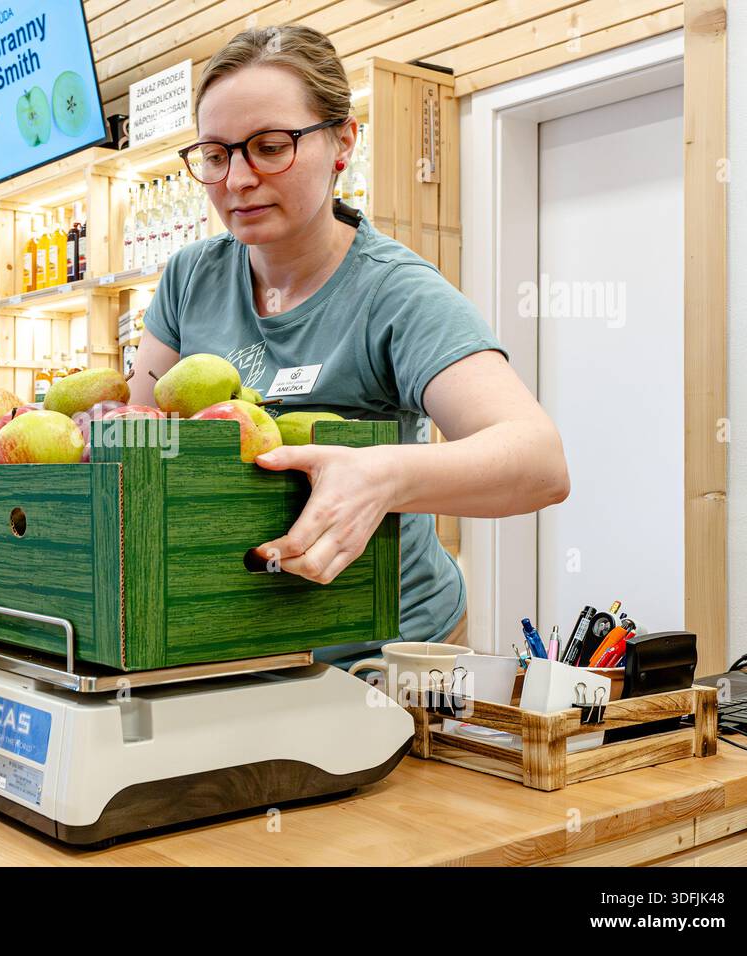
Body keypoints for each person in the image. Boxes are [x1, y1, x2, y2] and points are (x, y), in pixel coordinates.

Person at [129, 25, 570, 665]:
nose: (238, 179)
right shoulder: (190, 277)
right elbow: (138, 437)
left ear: (343, 141)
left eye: (270, 147)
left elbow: (539, 463)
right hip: (233, 642)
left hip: (388, 653)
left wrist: (384, 477)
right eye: (217, 155)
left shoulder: (395, 293)